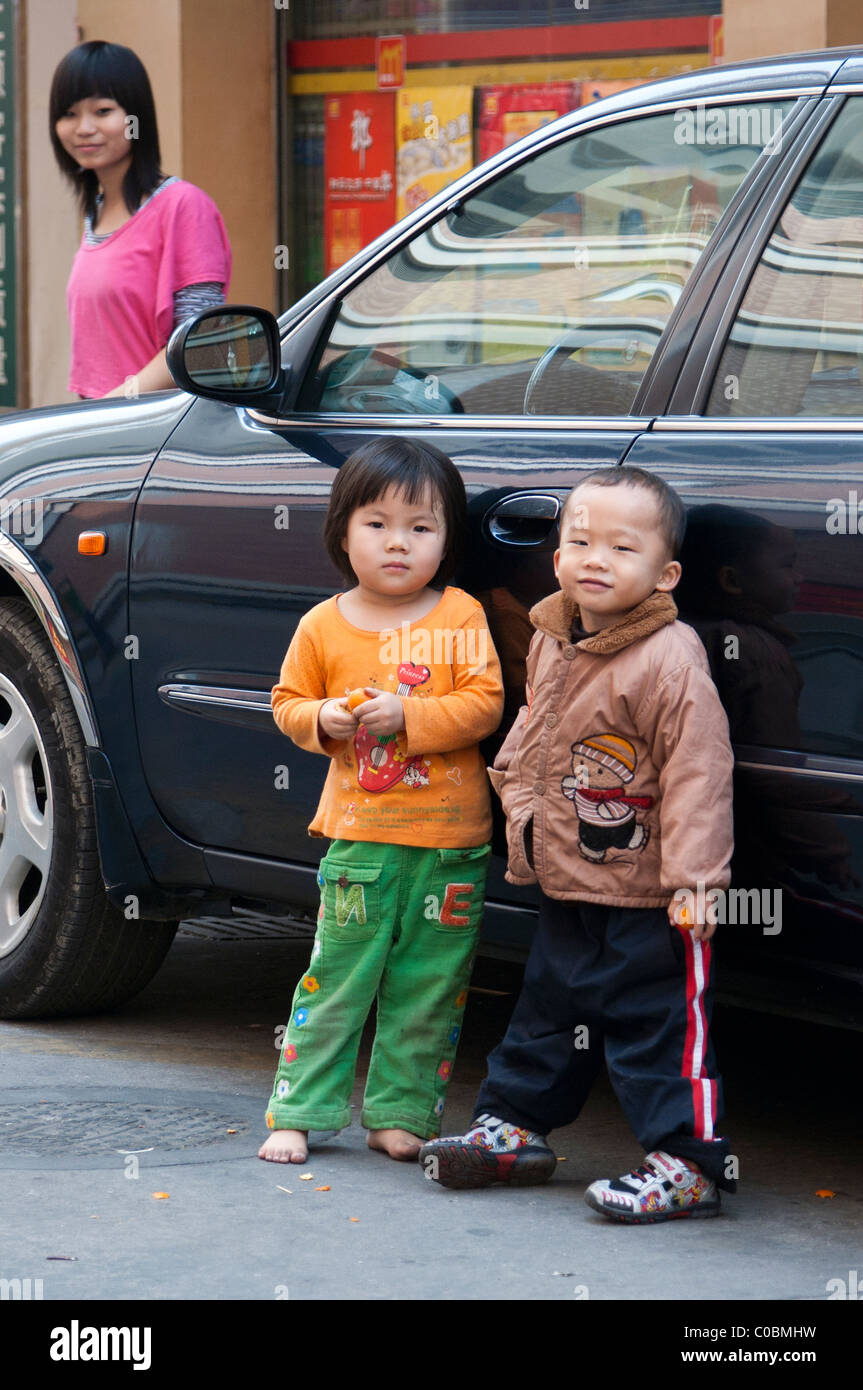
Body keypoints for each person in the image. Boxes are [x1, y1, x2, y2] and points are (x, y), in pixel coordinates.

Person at [420, 466, 737, 1222]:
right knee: (546, 1011)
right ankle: (515, 1127)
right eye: (581, 541)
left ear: (664, 575)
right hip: (571, 875)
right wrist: (517, 808)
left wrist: (696, 881)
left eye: (621, 548)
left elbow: (701, 771)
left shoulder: (670, 657)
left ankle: (690, 1161)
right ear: (557, 556)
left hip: (652, 891)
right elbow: (531, 732)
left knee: (656, 1024)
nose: (596, 558)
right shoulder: (553, 634)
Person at [259, 438, 504, 1165]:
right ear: (342, 529)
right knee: (336, 976)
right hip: (361, 844)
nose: (398, 543)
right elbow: (286, 704)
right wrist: (322, 719)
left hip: (450, 842)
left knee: (429, 985)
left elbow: (486, 705)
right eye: (377, 524)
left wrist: (413, 718)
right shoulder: (323, 625)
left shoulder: (459, 617)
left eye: (421, 528)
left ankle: (400, 1112)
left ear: (445, 540)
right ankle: (300, 1110)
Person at [50, 40, 231, 399]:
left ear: (135, 119)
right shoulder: (97, 210)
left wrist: (117, 406)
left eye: (102, 110)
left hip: (154, 434)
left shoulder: (183, 206)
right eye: (69, 114)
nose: (83, 128)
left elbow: (199, 342)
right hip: (103, 430)